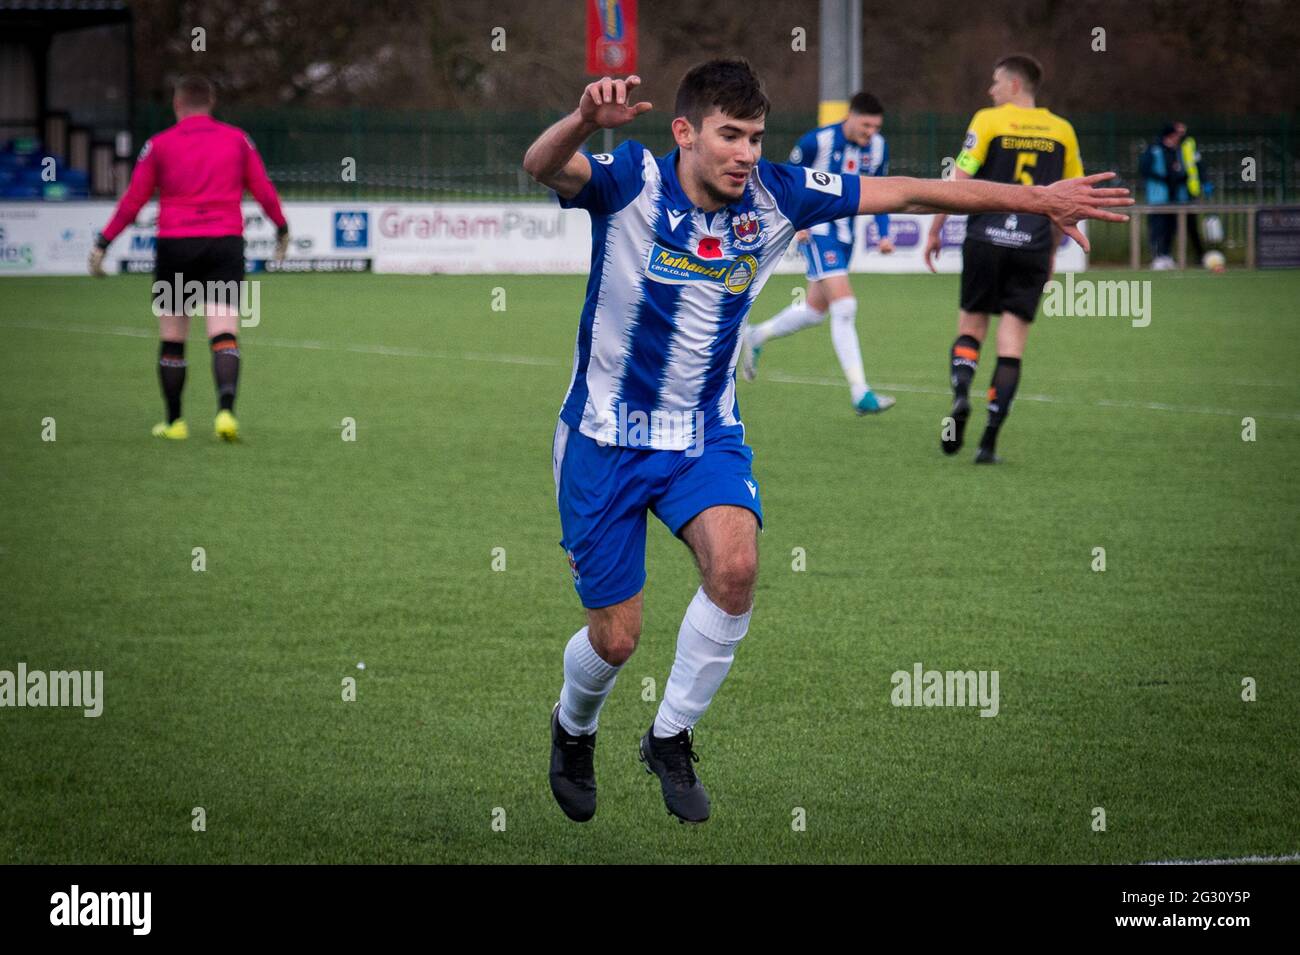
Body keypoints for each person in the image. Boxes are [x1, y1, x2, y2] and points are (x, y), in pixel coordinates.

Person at [523, 58, 1129, 824]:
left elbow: (913, 189)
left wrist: (1035, 198)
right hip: (604, 438)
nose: (747, 152)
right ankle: (573, 727)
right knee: (615, 642)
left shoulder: (781, 193)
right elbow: (542, 165)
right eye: (730, 136)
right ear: (684, 132)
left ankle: (670, 735)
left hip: (703, 431)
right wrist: (581, 120)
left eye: (756, 137)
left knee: (737, 566)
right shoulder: (632, 180)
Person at [89, 75, 290, 441]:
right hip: (224, 243)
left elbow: (133, 200)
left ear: (177, 104)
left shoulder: (159, 145)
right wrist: (281, 228)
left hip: (176, 245)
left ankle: (175, 422)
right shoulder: (238, 140)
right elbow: (262, 188)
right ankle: (225, 413)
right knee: (224, 331)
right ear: (210, 102)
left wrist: (104, 241)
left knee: (173, 336)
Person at [924, 54, 1084, 464]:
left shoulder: (989, 120)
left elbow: (958, 180)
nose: (990, 90)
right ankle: (989, 441)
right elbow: (1069, 200)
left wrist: (936, 226)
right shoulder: (1062, 131)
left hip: (984, 238)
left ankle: (961, 396)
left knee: (971, 325)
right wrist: (1050, 253)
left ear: (1014, 85)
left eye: (996, 82)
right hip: (1031, 243)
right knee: (1011, 345)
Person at [740, 92, 896, 414]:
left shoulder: (879, 147)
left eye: (876, 127)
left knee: (814, 311)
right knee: (846, 305)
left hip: (846, 235)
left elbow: (884, 192)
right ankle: (860, 393)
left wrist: (883, 233)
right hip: (818, 232)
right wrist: (796, 221)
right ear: (850, 116)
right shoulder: (817, 141)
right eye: (866, 125)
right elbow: (788, 181)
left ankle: (755, 335)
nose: (871, 133)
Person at [1137, 123, 1187, 270]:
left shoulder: (1177, 151)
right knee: (1157, 228)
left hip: (1175, 196)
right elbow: (1145, 169)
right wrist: (1163, 178)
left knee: (1171, 228)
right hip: (1158, 197)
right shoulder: (1154, 150)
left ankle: (1167, 255)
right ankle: (1157, 256)